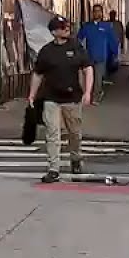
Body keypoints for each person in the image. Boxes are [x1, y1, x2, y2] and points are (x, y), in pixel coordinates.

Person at [30, 16, 93, 183]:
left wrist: (88, 92)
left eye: (67, 26)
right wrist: (32, 95)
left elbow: (88, 68)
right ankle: (53, 168)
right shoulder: (46, 51)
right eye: (62, 27)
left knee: (74, 133)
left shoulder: (76, 46)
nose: (67, 29)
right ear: (54, 32)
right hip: (51, 98)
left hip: (72, 98)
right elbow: (38, 73)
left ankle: (76, 158)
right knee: (52, 133)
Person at [77, 4, 119, 103]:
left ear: (102, 12)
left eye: (99, 11)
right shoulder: (87, 26)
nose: (97, 13)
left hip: (101, 56)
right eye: (95, 11)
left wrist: (116, 54)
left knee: (98, 78)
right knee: (88, 77)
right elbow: (79, 39)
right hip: (89, 57)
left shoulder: (107, 26)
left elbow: (113, 41)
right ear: (92, 13)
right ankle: (88, 95)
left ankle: (96, 97)